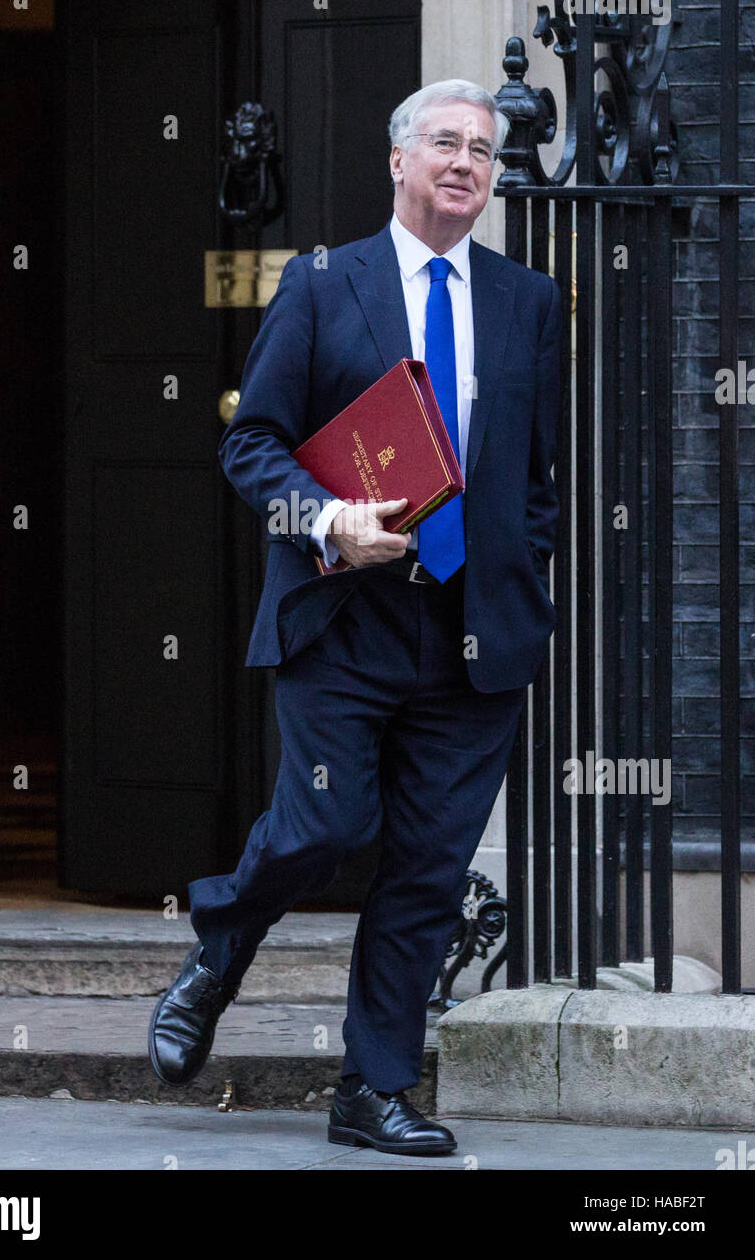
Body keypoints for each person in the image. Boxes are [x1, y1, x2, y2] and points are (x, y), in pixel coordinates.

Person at [149, 79, 563, 1156]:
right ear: (395, 159)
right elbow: (252, 443)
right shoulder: (324, 284)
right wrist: (328, 518)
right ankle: (222, 936)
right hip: (344, 616)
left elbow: (537, 476)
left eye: (482, 147)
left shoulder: (527, 300)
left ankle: (370, 1089)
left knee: (425, 870)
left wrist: (524, 568)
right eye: (444, 142)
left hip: (474, 631)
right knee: (329, 827)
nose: (466, 161)